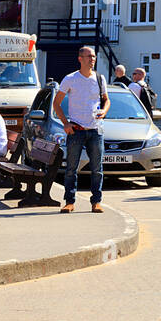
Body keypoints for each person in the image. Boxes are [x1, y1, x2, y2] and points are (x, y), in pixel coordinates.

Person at [53, 45, 109, 213]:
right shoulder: (70, 79)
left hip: (95, 130)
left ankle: (96, 202)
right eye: (89, 56)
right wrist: (65, 123)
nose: (92, 59)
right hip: (76, 129)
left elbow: (106, 100)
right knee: (71, 169)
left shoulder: (100, 78)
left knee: (97, 169)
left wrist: (104, 111)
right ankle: (69, 201)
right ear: (80, 59)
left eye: (93, 56)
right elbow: (56, 103)